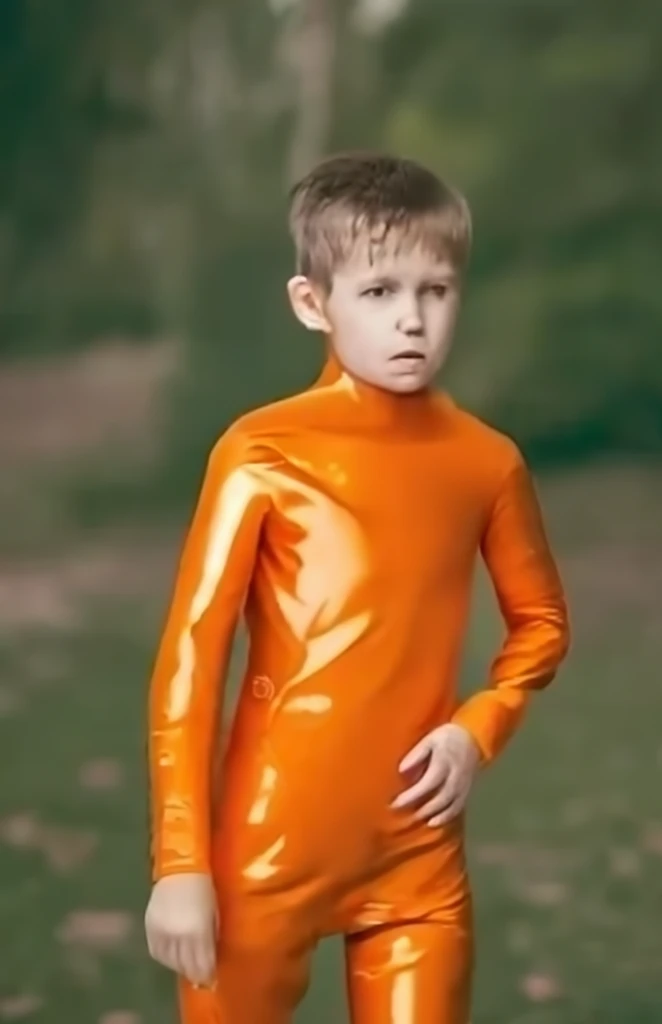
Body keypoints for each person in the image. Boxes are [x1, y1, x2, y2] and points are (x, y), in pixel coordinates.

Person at [143, 151, 571, 1023]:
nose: (412, 320)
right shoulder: (261, 452)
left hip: (418, 858)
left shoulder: (487, 462)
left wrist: (475, 731)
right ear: (314, 303)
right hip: (264, 853)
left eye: (435, 290)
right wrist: (181, 863)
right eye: (379, 292)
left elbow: (540, 626)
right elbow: (192, 657)